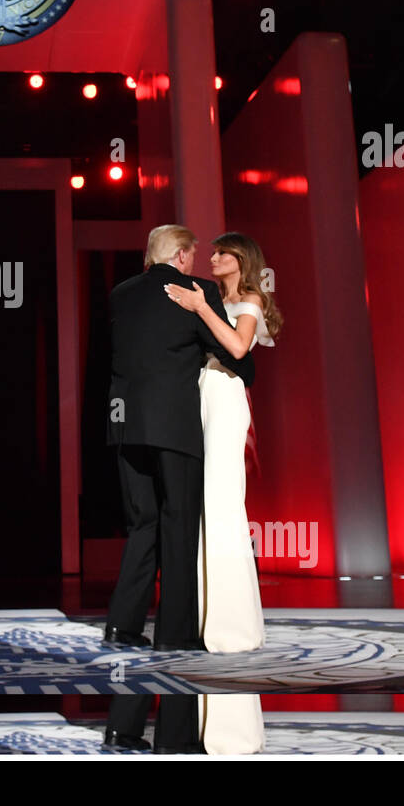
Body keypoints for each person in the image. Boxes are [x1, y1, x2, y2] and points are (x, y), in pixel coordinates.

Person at [103, 225, 253, 753]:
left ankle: (122, 627)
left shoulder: (120, 293)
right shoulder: (198, 294)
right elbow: (234, 353)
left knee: (141, 524)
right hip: (174, 429)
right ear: (184, 255)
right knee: (179, 525)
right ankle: (175, 632)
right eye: (196, 256)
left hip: (125, 427)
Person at [165, 231, 282, 754]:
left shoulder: (249, 300)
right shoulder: (214, 298)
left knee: (223, 506)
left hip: (226, 398)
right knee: (208, 510)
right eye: (210, 253)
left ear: (242, 261)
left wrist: (198, 306)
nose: (211, 258)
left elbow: (236, 347)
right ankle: (215, 618)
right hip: (202, 397)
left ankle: (233, 627)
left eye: (220, 253)